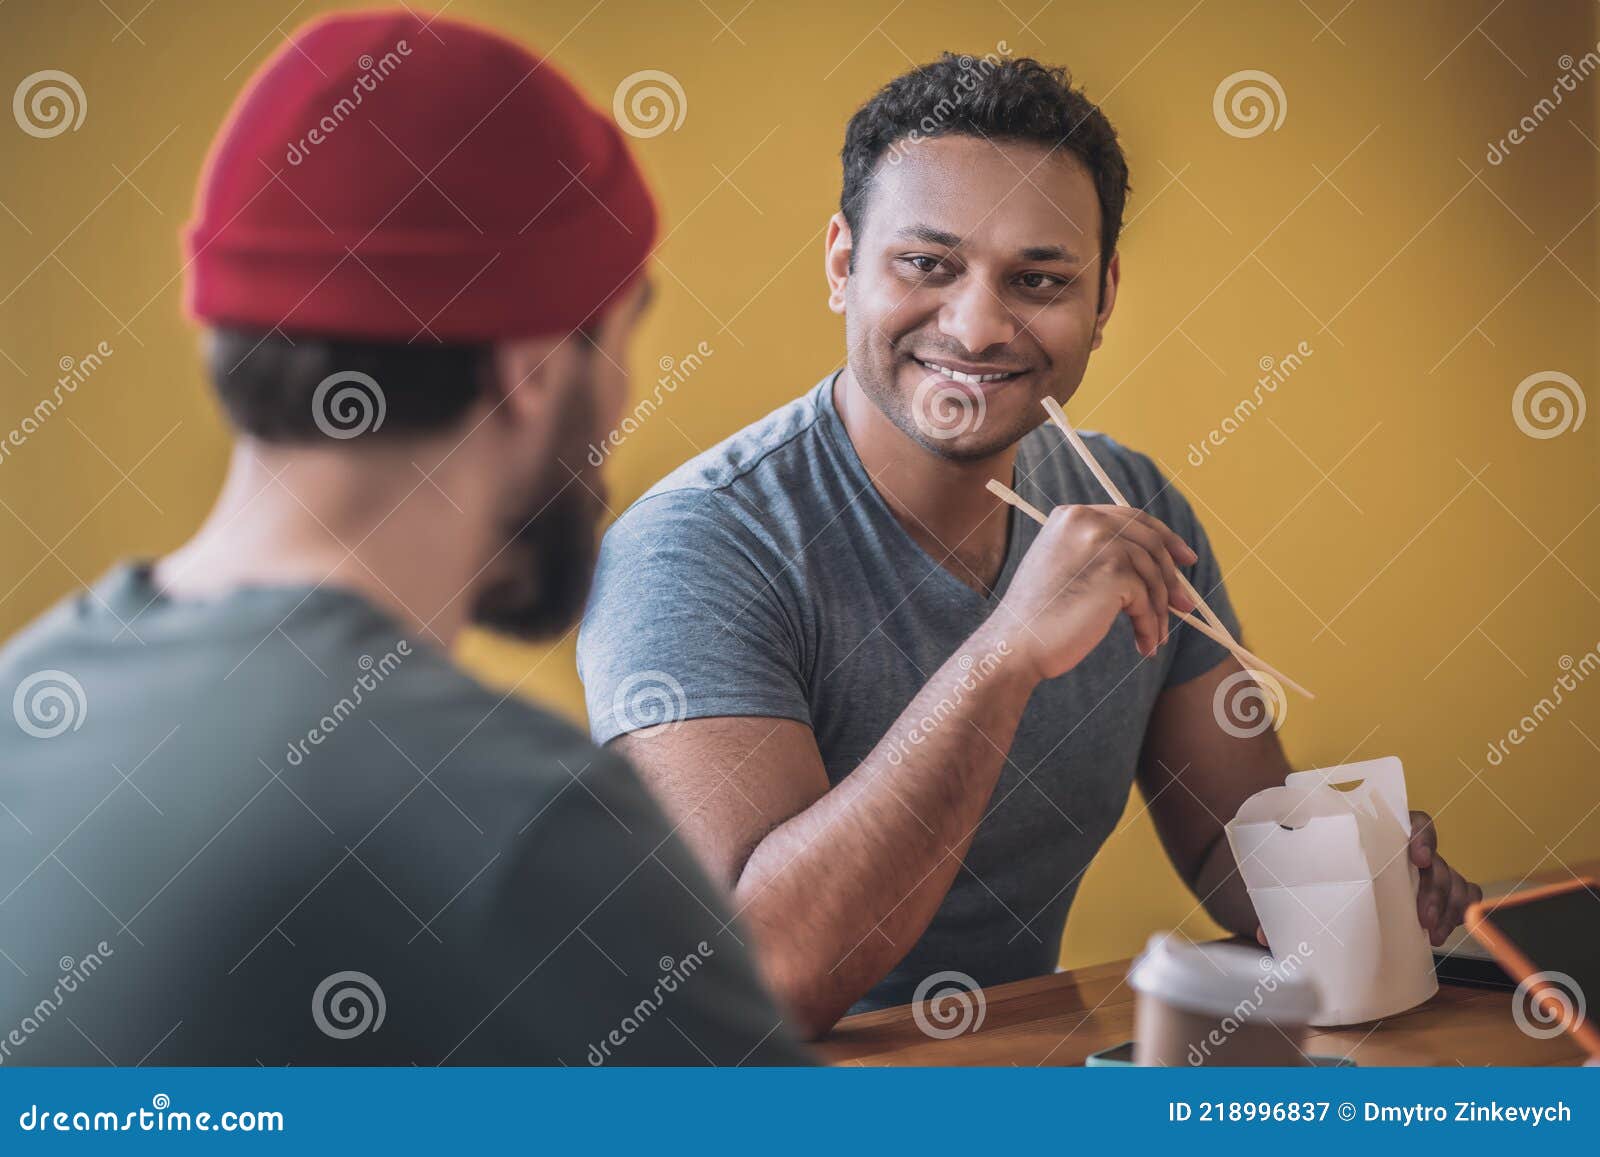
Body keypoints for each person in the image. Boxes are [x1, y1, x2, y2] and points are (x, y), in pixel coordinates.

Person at [576, 55, 1482, 1039]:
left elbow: (1231, 847)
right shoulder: (694, 549)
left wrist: (1356, 875)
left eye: (1038, 280)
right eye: (926, 265)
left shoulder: (1129, 504)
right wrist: (1007, 652)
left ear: (1104, 298)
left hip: (1001, 1066)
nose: (976, 327)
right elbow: (767, 979)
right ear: (841, 265)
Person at [0, 10, 808, 1067]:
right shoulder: (513, 818)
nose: (622, 401)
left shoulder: (27, 698)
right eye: (619, 336)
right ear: (530, 365)